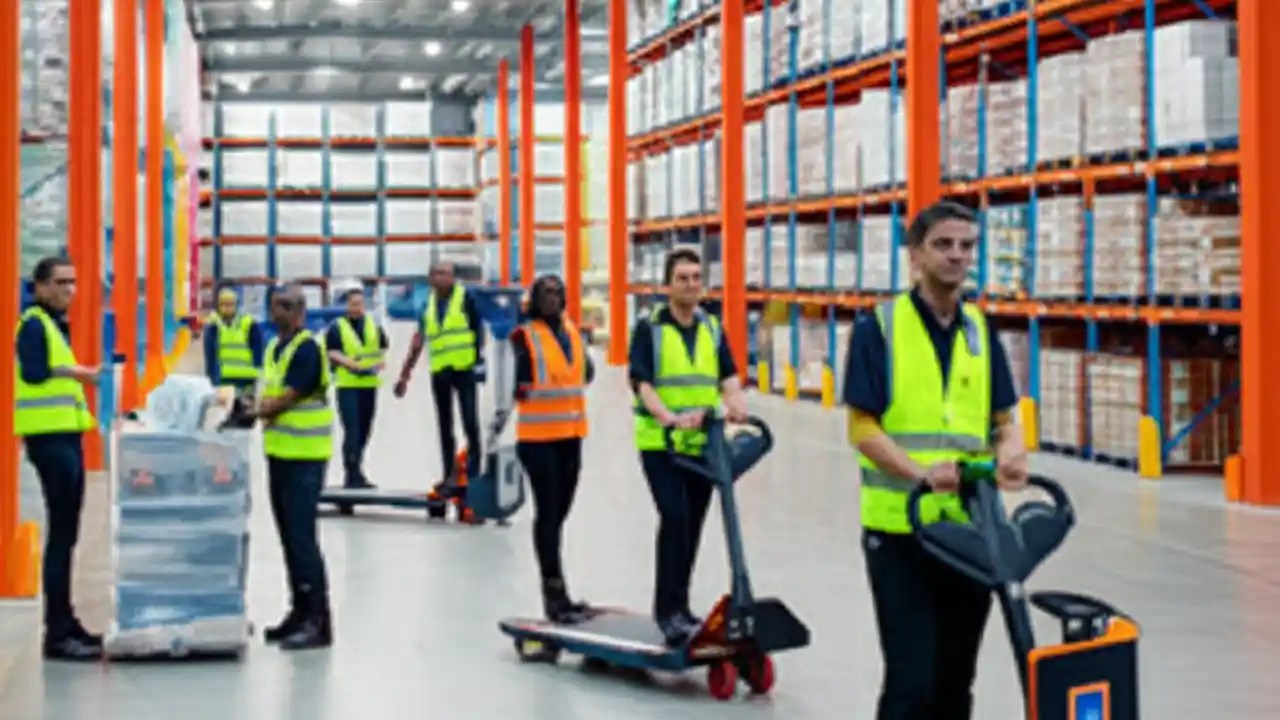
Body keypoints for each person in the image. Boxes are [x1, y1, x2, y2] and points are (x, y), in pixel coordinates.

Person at [843, 200, 1029, 719]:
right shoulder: (879, 327)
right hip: (901, 529)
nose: (957, 256)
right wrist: (921, 474)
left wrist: (1012, 451)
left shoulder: (979, 330)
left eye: (967, 246)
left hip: (969, 530)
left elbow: (1003, 418)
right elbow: (861, 428)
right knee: (911, 679)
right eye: (943, 245)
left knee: (955, 682)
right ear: (916, 255)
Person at [628, 248, 749, 646]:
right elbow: (642, 383)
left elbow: (727, 374)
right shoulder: (650, 328)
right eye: (682, 278)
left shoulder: (712, 327)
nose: (691, 284)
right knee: (675, 517)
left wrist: (735, 402)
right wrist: (668, 417)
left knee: (693, 525)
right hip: (661, 443)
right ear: (668, 285)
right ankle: (666, 612)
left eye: (697, 277)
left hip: (702, 444)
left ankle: (681, 607)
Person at [14, 256, 102, 660]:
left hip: (64, 436)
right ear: (40, 286)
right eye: (61, 282)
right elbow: (34, 374)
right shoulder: (33, 324)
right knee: (62, 537)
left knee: (68, 535)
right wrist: (79, 374)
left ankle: (67, 623)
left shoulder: (51, 324)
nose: (70, 290)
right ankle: (58, 632)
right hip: (49, 441)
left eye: (74, 282)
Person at [252, 285, 335, 650]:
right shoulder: (274, 348)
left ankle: (318, 620)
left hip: (306, 455)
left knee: (302, 537)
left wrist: (251, 412)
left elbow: (286, 397)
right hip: (280, 453)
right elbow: (268, 391)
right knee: (287, 534)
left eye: (285, 307)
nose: (278, 314)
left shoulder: (308, 349)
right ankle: (297, 611)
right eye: (274, 307)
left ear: (300, 311)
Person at [511, 274, 595, 623]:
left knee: (559, 515)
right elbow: (517, 384)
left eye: (558, 292)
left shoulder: (573, 332)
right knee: (548, 516)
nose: (552, 298)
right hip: (537, 440)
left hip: (571, 435)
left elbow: (585, 372)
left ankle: (562, 592)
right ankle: (554, 595)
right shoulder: (524, 336)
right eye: (545, 293)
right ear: (533, 299)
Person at [394, 261, 485, 485]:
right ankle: (449, 474)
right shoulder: (427, 305)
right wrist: (405, 374)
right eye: (436, 274)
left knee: (470, 423)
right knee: (445, 426)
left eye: (445, 273)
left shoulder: (466, 298)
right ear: (430, 278)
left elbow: (478, 331)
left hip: (464, 370)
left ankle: (473, 474)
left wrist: (479, 362)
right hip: (440, 372)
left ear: (453, 277)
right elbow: (418, 340)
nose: (440, 278)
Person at [324, 287, 388, 490]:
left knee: (365, 430)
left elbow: (383, 346)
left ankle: (358, 471)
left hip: (369, 385)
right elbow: (331, 352)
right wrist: (349, 363)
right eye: (353, 304)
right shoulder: (337, 327)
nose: (357, 308)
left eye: (360, 304)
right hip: (348, 385)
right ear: (346, 305)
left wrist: (378, 363)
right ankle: (350, 473)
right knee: (352, 430)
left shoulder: (372, 325)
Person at [201, 287, 263, 389]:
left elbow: (258, 351)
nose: (226, 308)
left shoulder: (249, 324)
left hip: (247, 378)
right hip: (222, 379)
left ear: (236, 305)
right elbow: (210, 354)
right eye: (223, 304)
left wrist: (258, 374)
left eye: (230, 304)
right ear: (218, 306)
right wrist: (211, 378)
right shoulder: (213, 325)